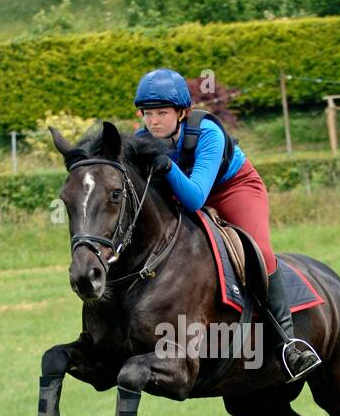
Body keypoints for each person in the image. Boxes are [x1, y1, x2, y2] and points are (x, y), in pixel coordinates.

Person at [134, 67, 321, 381]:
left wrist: (165, 164)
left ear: (182, 112)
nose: (153, 121)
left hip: (234, 187)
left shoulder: (208, 133)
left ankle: (288, 343)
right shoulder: (143, 140)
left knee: (259, 251)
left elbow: (195, 197)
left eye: (162, 113)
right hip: (185, 191)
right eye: (147, 113)